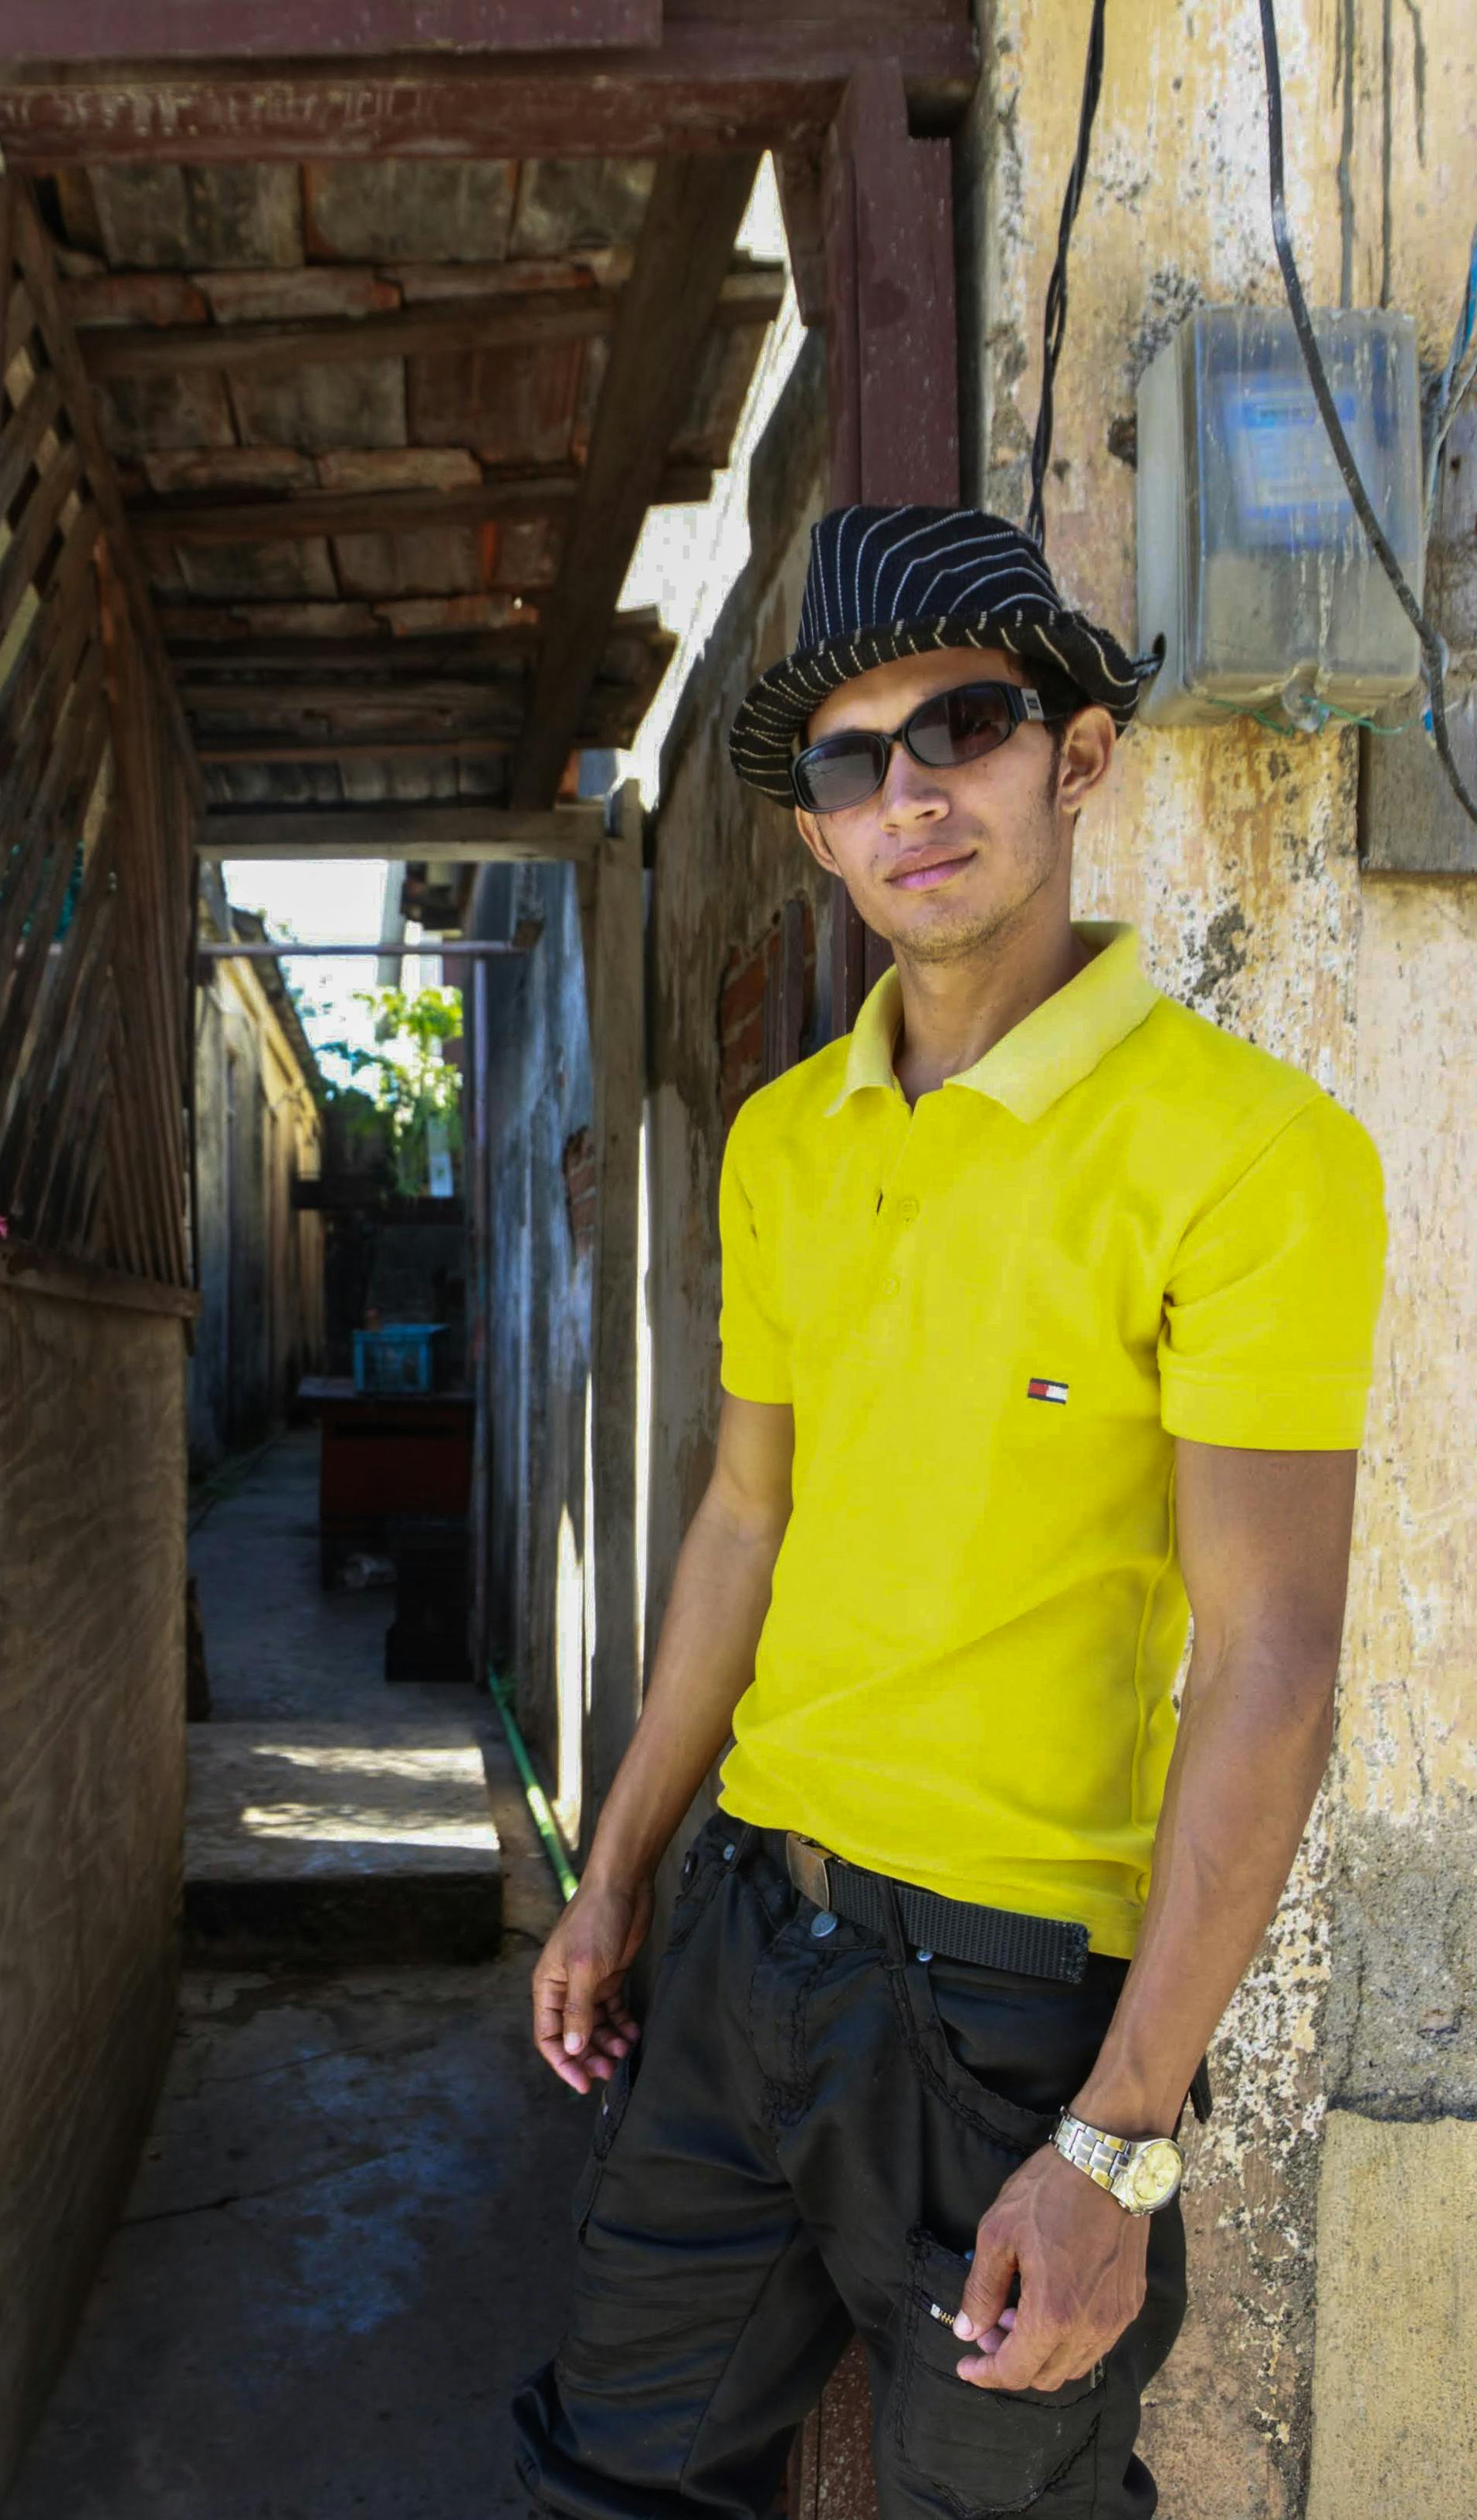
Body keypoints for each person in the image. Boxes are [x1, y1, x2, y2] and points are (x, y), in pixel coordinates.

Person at [510, 506, 1386, 2518]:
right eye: (851, 760)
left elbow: (1278, 1658)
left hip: (1008, 2004)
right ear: (816, 829)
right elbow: (744, 1522)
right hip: (742, 1938)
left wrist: (1117, 2143)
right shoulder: (784, 1143)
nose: (909, 794)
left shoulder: (1247, 1156)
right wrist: (623, 1870)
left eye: (964, 728)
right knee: (611, 2470)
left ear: (1075, 758)